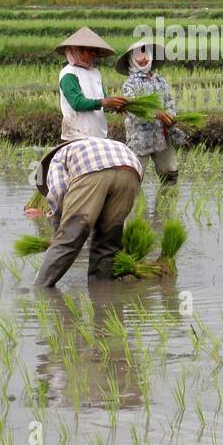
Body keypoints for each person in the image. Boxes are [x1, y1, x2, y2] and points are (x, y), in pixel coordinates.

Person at [30, 136, 144, 286]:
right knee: (108, 241)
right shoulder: (90, 145)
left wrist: (58, 229)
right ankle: (102, 292)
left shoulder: (57, 158)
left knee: (69, 236)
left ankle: (39, 289)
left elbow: (58, 192)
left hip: (91, 169)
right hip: (131, 171)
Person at [114, 40, 187, 186]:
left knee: (170, 174)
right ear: (131, 59)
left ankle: (166, 206)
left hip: (161, 136)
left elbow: (169, 102)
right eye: (138, 56)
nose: (143, 59)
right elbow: (133, 111)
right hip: (139, 139)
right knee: (133, 176)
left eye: (145, 54)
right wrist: (156, 114)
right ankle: (134, 206)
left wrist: (170, 117)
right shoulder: (130, 84)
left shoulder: (160, 80)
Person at [55, 27, 126, 141]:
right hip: (77, 135)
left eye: (95, 51)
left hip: (97, 133)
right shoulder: (69, 73)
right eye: (90, 50)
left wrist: (115, 106)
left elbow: (102, 101)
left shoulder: (95, 73)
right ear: (77, 50)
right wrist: (104, 102)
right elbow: (77, 103)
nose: (93, 54)